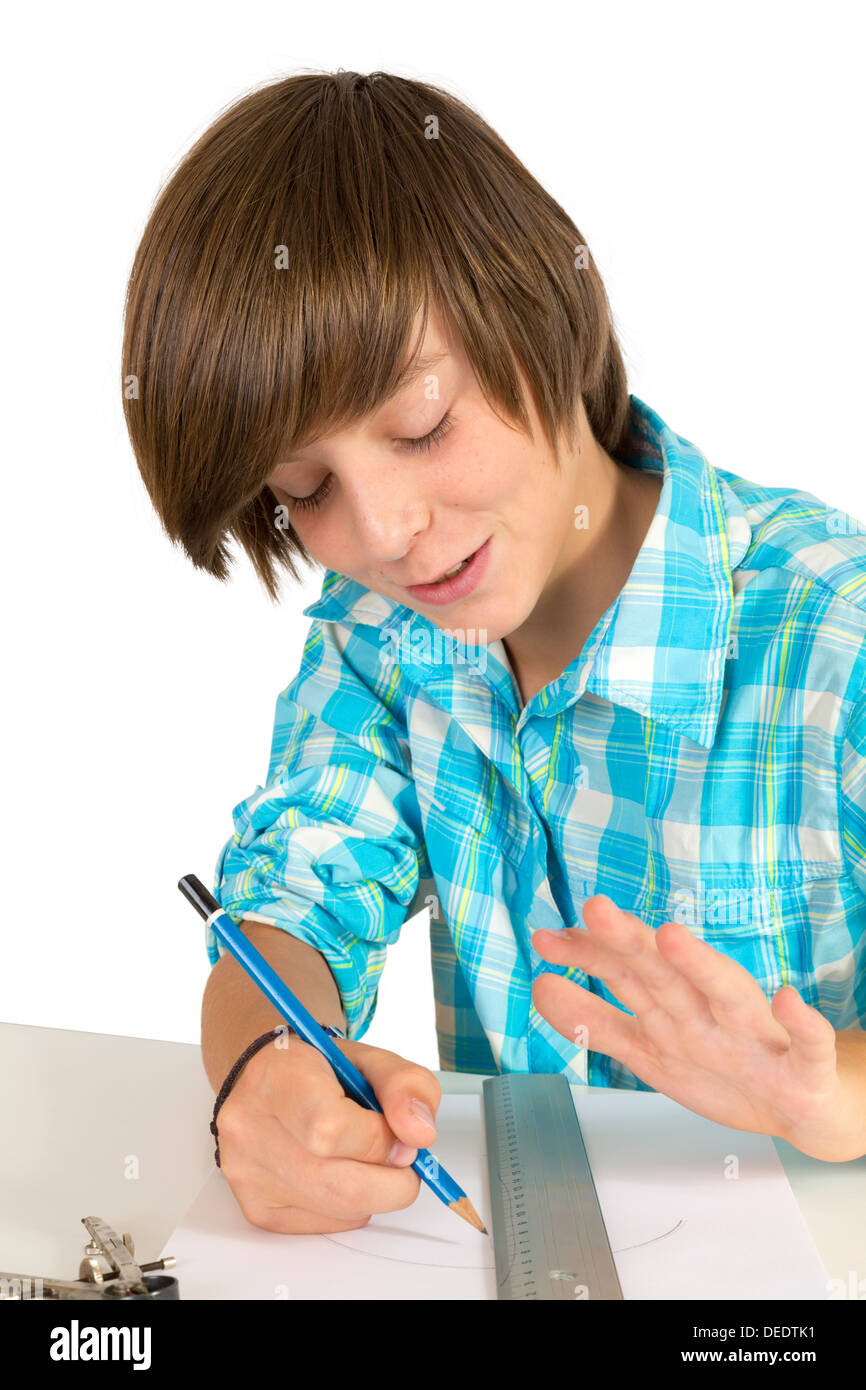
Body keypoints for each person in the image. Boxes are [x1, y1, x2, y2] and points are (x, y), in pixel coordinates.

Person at [122, 70, 866, 1236]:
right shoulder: (381, 637)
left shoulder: (834, 638)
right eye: (304, 489)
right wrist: (263, 1068)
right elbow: (292, 908)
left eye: (421, 427)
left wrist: (830, 1099)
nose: (384, 532)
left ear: (539, 312)